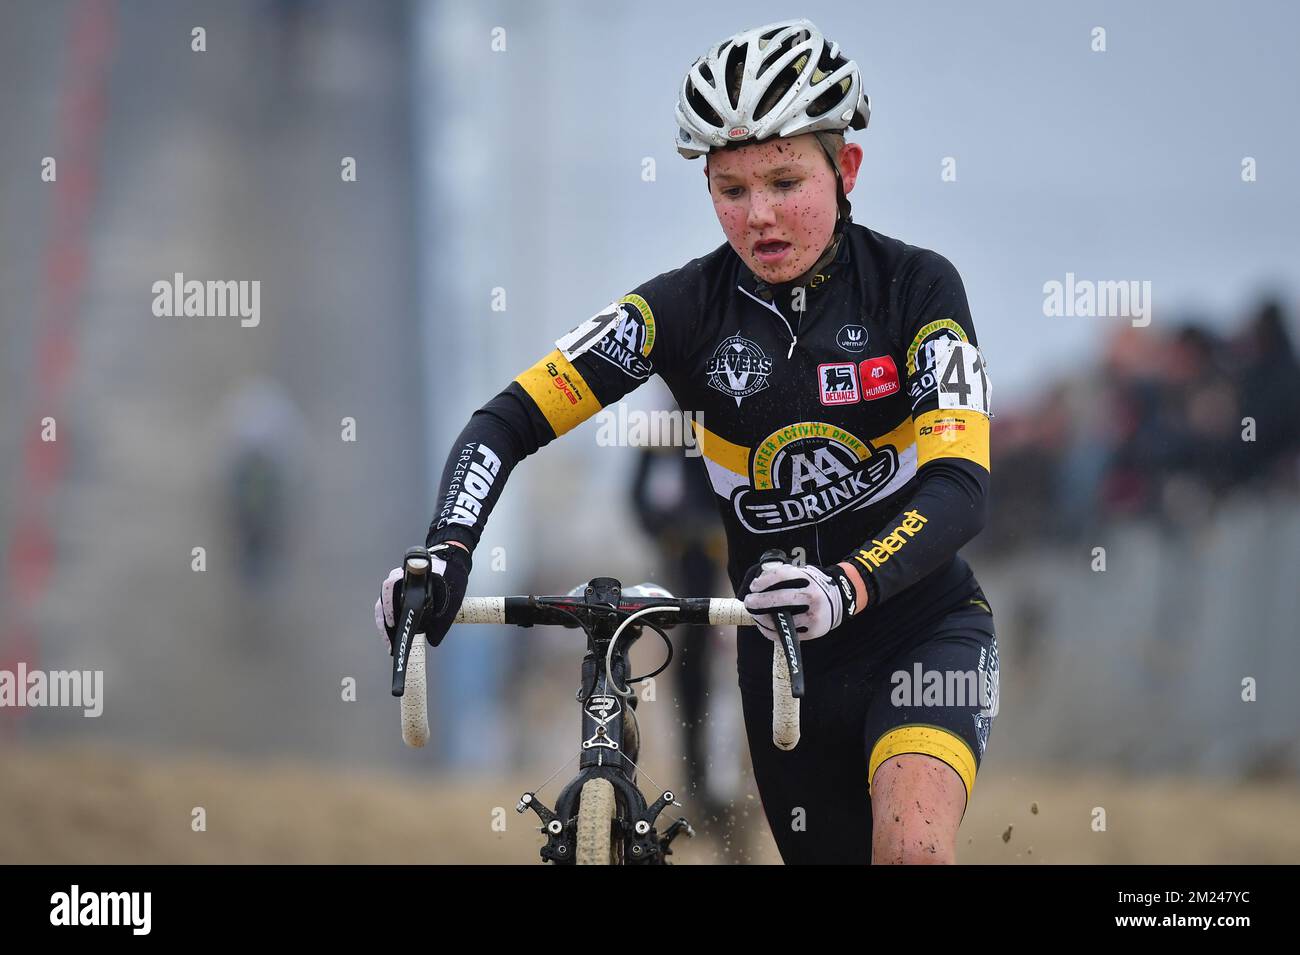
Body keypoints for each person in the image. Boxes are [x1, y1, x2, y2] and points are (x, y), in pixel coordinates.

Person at [376, 18, 999, 864]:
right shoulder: (680, 310)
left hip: (920, 628)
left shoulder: (918, 287)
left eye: (786, 181)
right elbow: (506, 420)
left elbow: (961, 485)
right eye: (731, 189)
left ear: (847, 168)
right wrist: (447, 549)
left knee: (911, 851)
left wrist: (847, 584)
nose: (760, 215)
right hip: (782, 658)